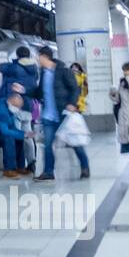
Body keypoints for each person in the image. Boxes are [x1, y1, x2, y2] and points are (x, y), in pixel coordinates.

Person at [35, 47, 88, 181]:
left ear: (45, 57)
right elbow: (39, 93)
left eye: (39, 57)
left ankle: (85, 167)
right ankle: (48, 172)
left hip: (63, 113)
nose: (37, 60)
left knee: (74, 142)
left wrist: (72, 103)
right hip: (48, 116)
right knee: (48, 145)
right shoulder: (43, 73)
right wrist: (24, 90)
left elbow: (75, 89)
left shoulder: (64, 71)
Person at [0, 46, 40, 112]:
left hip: (15, 103)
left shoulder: (15, 67)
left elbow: (1, 67)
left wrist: (15, 61)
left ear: (17, 55)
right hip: (29, 103)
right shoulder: (34, 69)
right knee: (26, 120)